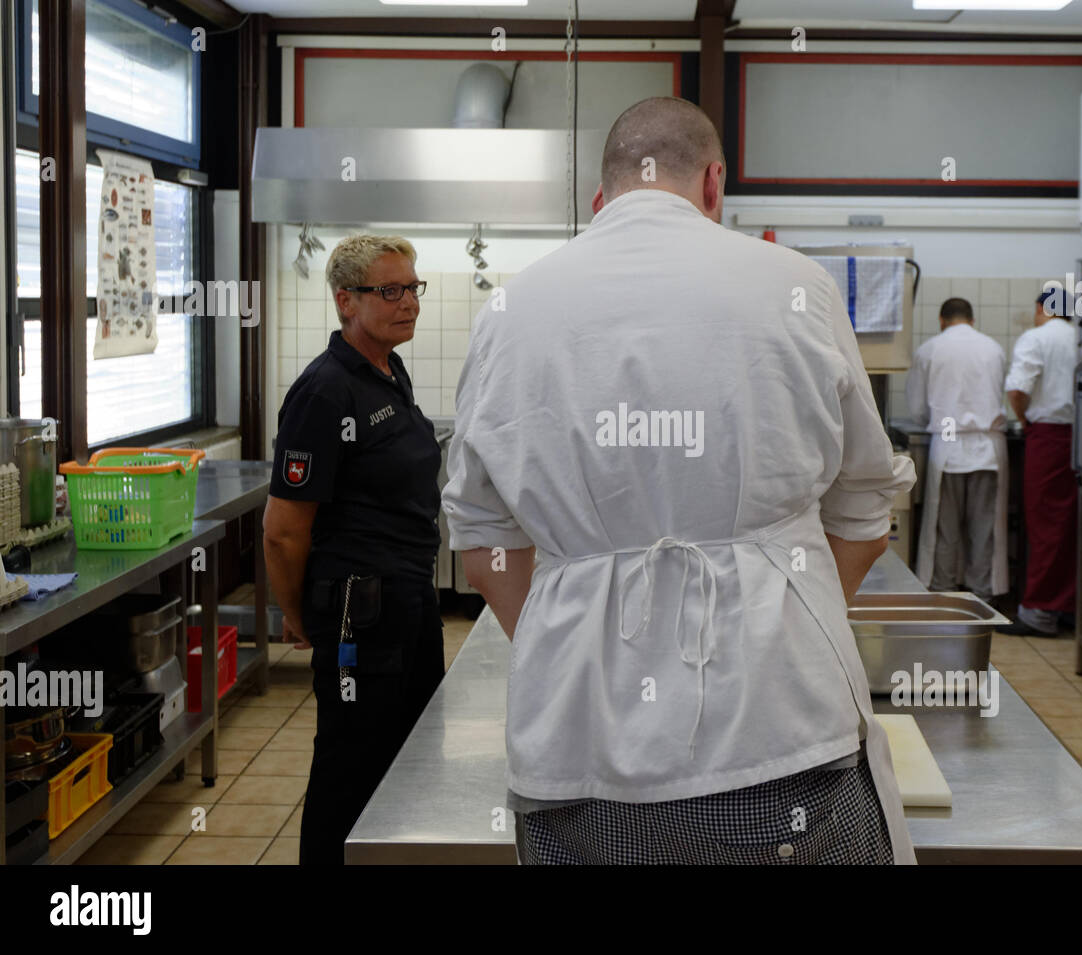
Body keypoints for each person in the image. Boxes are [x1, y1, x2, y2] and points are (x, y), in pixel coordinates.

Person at [443, 96, 917, 866]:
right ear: (713, 185)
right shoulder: (798, 287)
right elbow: (866, 507)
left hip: (578, 747)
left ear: (601, 201)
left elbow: (482, 536)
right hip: (787, 736)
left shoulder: (509, 310)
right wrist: (789, 605)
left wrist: (572, 625)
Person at [263, 234, 444, 865]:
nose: (408, 303)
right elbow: (284, 531)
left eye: (412, 288)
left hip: (407, 602)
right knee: (351, 767)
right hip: (356, 611)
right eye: (389, 291)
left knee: (410, 754)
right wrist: (300, 613)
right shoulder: (325, 391)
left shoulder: (389, 372)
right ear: (346, 300)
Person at [905, 297, 1008, 601]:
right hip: (988, 446)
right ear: (972, 320)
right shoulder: (993, 348)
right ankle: (982, 597)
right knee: (984, 529)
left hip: (948, 444)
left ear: (941, 319)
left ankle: (944, 594)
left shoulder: (930, 349)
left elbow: (917, 408)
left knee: (945, 529)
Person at [1002, 290, 1079, 636]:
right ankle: (1067, 606)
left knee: (1044, 522)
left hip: (1048, 437)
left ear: (1040, 309)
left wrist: (1025, 420)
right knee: (1072, 525)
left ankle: (1039, 613)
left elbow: (1017, 389)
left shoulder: (1036, 337)